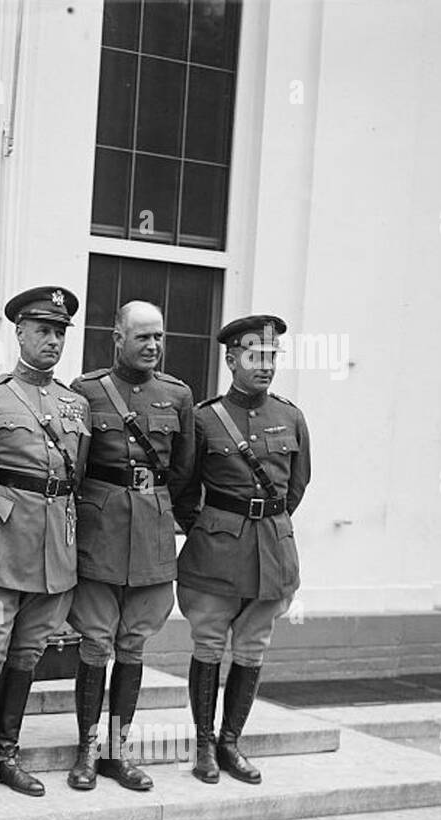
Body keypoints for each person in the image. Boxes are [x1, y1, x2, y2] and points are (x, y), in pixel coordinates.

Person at [0, 286, 90, 803]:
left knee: (28, 652)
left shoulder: (75, 404)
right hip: (0, 542)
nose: (52, 340)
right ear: (20, 334)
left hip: (56, 544)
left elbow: (81, 475)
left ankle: (7, 755)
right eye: (43, 330)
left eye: (59, 332)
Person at [174, 314, 311, 784]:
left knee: (252, 647)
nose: (266, 366)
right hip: (216, 551)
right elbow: (184, 487)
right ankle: (205, 744)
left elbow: (296, 487)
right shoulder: (205, 419)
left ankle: (232, 742)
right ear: (232, 359)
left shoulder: (290, 416)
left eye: (273, 357)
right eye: (256, 356)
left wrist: (265, 522)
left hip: (272, 552)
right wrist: (212, 526)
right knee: (209, 643)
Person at [67, 301, 194, 792]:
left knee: (133, 644)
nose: (152, 346)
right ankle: (85, 750)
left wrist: (164, 510)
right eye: (142, 336)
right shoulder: (86, 391)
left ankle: (118, 752)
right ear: (116, 337)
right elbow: (74, 464)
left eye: (159, 337)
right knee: (96, 642)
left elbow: (183, 471)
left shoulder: (176, 395)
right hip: (101, 530)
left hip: (152, 533)